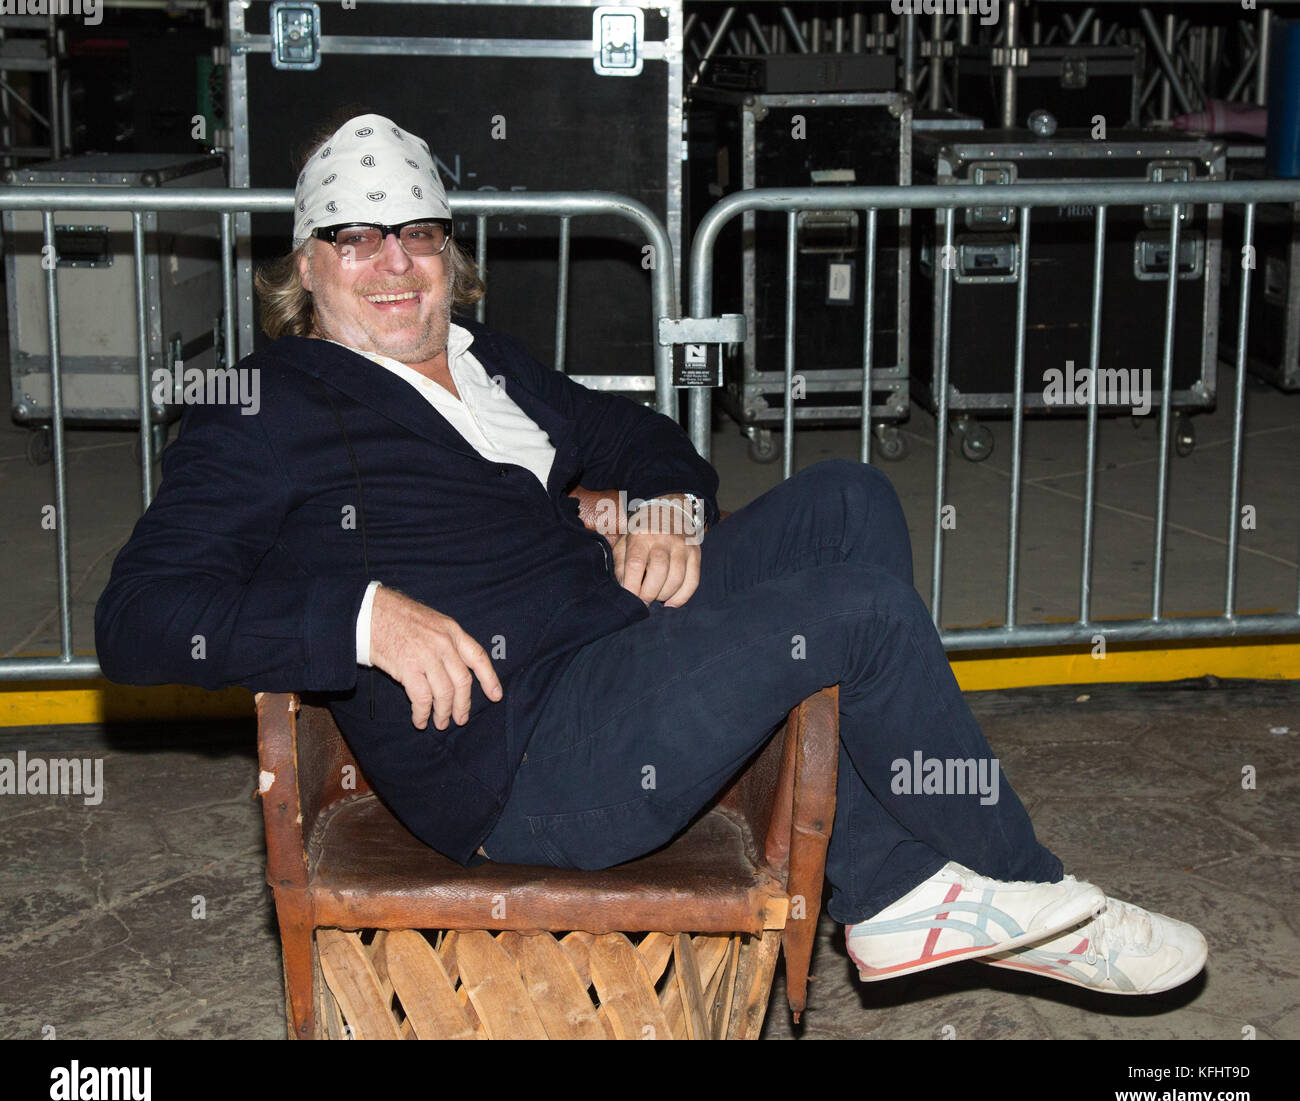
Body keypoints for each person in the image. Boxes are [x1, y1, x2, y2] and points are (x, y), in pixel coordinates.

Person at [95, 113, 1206, 997]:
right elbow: (138, 616)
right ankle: (1022, 891)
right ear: (308, 265)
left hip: (616, 635)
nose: (393, 265)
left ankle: (894, 877)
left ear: (449, 253)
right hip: (525, 755)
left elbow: (640, 437)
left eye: (418, 234)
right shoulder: (270, 403)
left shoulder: (489, 363)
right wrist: (361, 615)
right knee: (858, 609)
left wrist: (662, 506)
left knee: (848, 500)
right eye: (356, 238)